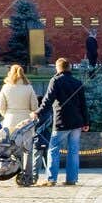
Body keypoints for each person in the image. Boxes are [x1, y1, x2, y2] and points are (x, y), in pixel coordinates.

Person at [36, 57, 90, 187]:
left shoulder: (55, 81)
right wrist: (86, 122)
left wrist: (37, 113)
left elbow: (47, 100)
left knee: (53, 149)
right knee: (73, 151)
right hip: (77, 122)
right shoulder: (77, 82)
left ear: (57, 68)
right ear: (69, 68)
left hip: (61, 121)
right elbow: (83, 104)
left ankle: (51, 179)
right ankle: (71, 179)